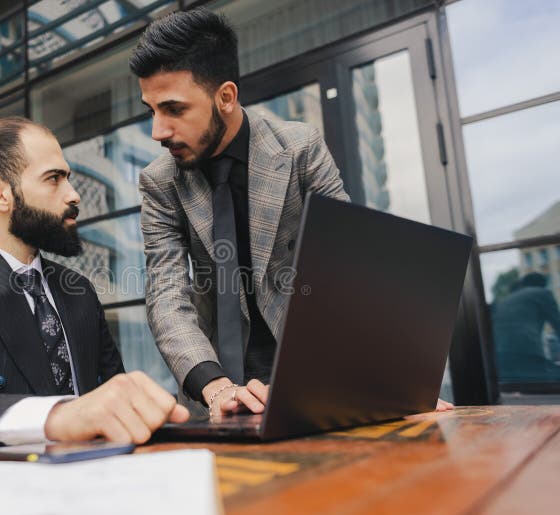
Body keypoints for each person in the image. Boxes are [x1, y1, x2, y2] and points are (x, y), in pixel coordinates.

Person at [130, 9, 453, 417]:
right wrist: (215, 388)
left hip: (316, 372)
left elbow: (350, 264)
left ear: (225, 97)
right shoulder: (159, 183)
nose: (157, 131)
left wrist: (394, 380)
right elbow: (166, 295)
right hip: (216, 386)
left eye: (174, 109)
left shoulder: (300, 150)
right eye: (151, 110)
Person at [0, 117, 188, 452]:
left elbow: (110, 390)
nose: (74, 196)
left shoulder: (78, 289)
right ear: (0, 194)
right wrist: (60, 418)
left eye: (67, 178)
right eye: (54, 179)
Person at [493, 272, 560, 382]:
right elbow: (558, 324)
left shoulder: (506, 299)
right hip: (526, 352)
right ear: (543, 285)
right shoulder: (543, 293)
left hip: (499, 354)